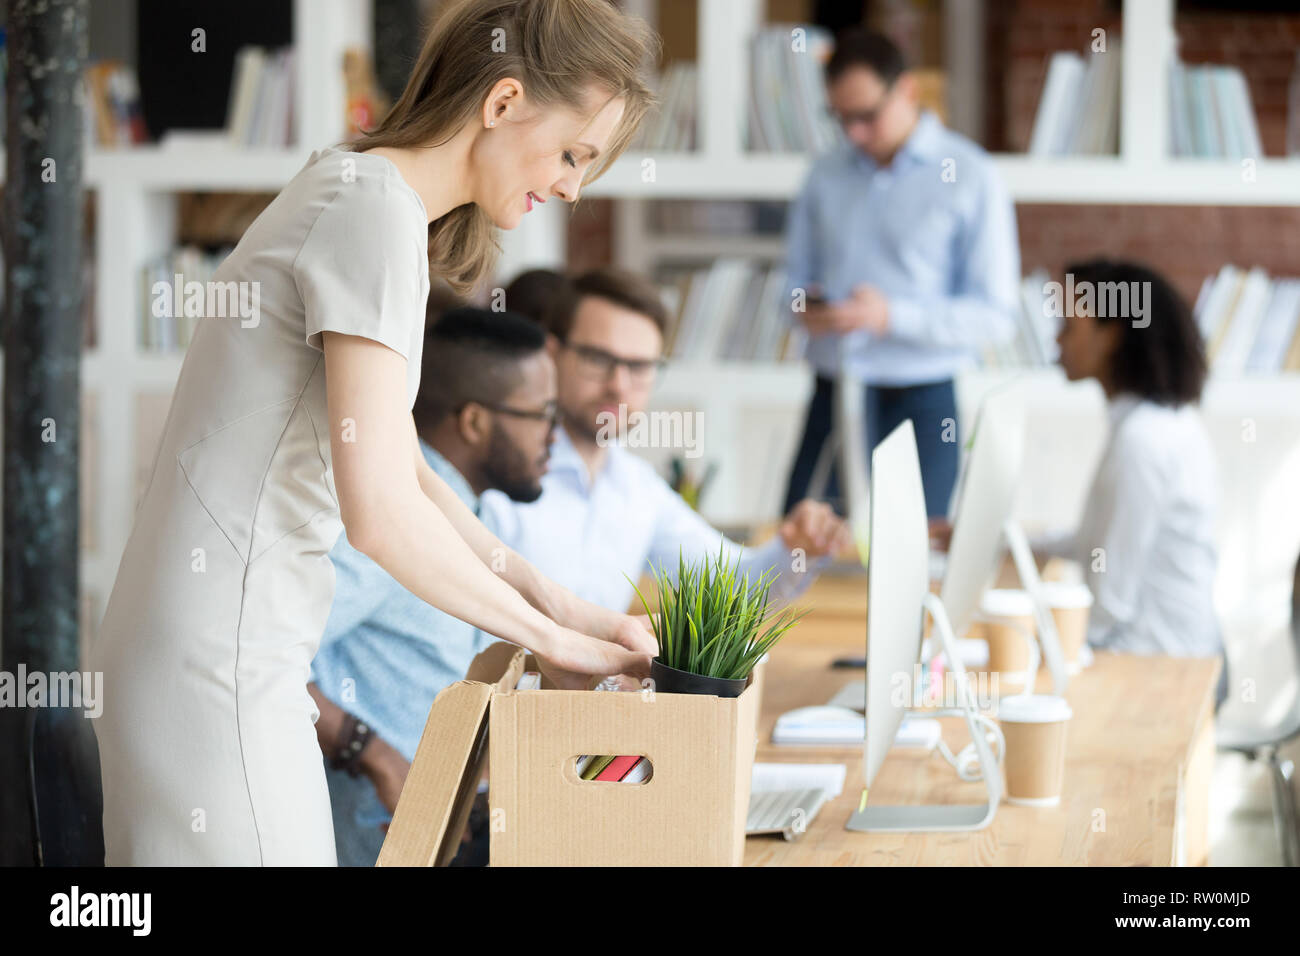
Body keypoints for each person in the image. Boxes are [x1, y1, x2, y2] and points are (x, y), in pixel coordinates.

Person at [88, 0, 660, 866]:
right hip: (221, 661)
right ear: (502, 103)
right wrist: (553, 646)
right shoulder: (372, 214)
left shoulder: (362, 193)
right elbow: (382, 516)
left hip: (217, 650)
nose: (576, 186)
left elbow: (414, 476)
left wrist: (560, 607)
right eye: (576, 152)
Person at [311, 306, 556, 867]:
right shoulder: (396, 520)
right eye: (542, 414)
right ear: (474, 422)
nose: (554, 437)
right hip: (375, 817)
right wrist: (370, 753)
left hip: (431, 811)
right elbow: (271, 655)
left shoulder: (459, 509)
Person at [483, 267, 850, 614]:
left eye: (640, 367)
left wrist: (793, 550)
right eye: (598, 358)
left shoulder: (634, 486)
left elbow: (732, 587)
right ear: (552, 354)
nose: (619, 385)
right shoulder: (494, 474)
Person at [782, 28, 1020, 519]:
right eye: (840, 118)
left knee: (910, 562)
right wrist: (808, 308)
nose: (854, 133)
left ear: (907, 90)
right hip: (833, 392)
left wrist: (890, 317)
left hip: (924, 399)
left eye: (867, 115)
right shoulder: (824, 174)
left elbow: (995, 315)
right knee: (798, 550)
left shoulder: (971, 175)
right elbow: (788, 291)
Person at [1037, 259, 1225, 701]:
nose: (1056, 339)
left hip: (1163, 667)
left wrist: (1032, 643)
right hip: (1174, 651)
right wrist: (998, 541)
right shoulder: (1155, 423)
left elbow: (1107, 608)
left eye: (1069, 325)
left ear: (1112, 333)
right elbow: (1095, 544)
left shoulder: (1142, 442)